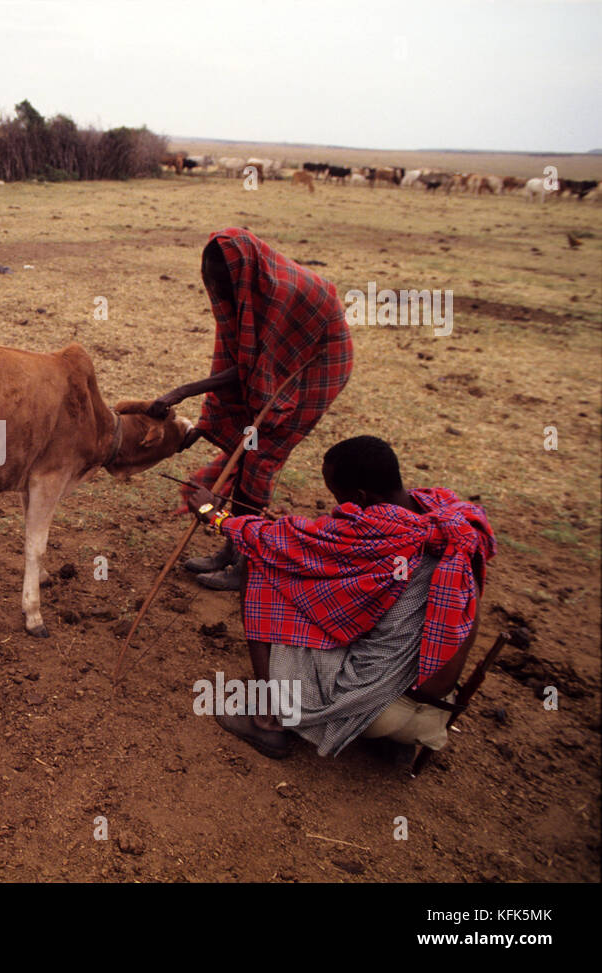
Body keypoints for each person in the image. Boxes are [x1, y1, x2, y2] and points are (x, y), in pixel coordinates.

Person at [187, 436, 495, 759]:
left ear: (361, 496)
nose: (338, 506)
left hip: (371, 696)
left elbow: (278, 545)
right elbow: (327, 542)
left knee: (261, 563)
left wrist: (214, 515)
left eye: (339, 496)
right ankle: (389, 740)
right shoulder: (446, 517)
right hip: (428, 704)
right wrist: (299, 533)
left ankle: (268, 720)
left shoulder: (377, 536)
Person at [149, 228, 353, 591]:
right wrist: (206, 422)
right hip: (277, 364)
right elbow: (240, 358)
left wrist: (183, 391)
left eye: (224, 283)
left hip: (317, 364)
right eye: (212, 283)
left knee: (260, 453)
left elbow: (255, 368)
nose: (220, 293)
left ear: (243, 276)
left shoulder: (281, 297)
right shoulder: (245, 289)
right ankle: (232, 548)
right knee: (248, 445)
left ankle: (248, 565)